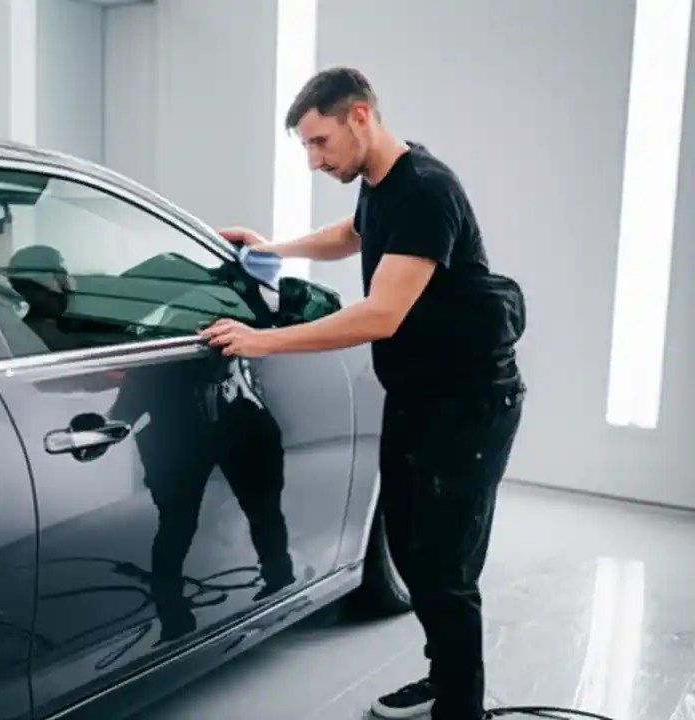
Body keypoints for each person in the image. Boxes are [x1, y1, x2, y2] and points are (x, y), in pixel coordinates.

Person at [200, 67, 526, 720]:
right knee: (409, 547)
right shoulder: (381, 183)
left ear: (359, 117)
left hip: (469, 405)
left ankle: (460, 708)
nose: (316, 160)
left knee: (445, 570)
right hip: (417, 397)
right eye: (306, 149)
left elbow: (380, 315)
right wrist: (275, 247)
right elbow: (351, 237)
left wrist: (266, 342)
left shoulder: (427, 190)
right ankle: (444, 681)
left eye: (320, 143)